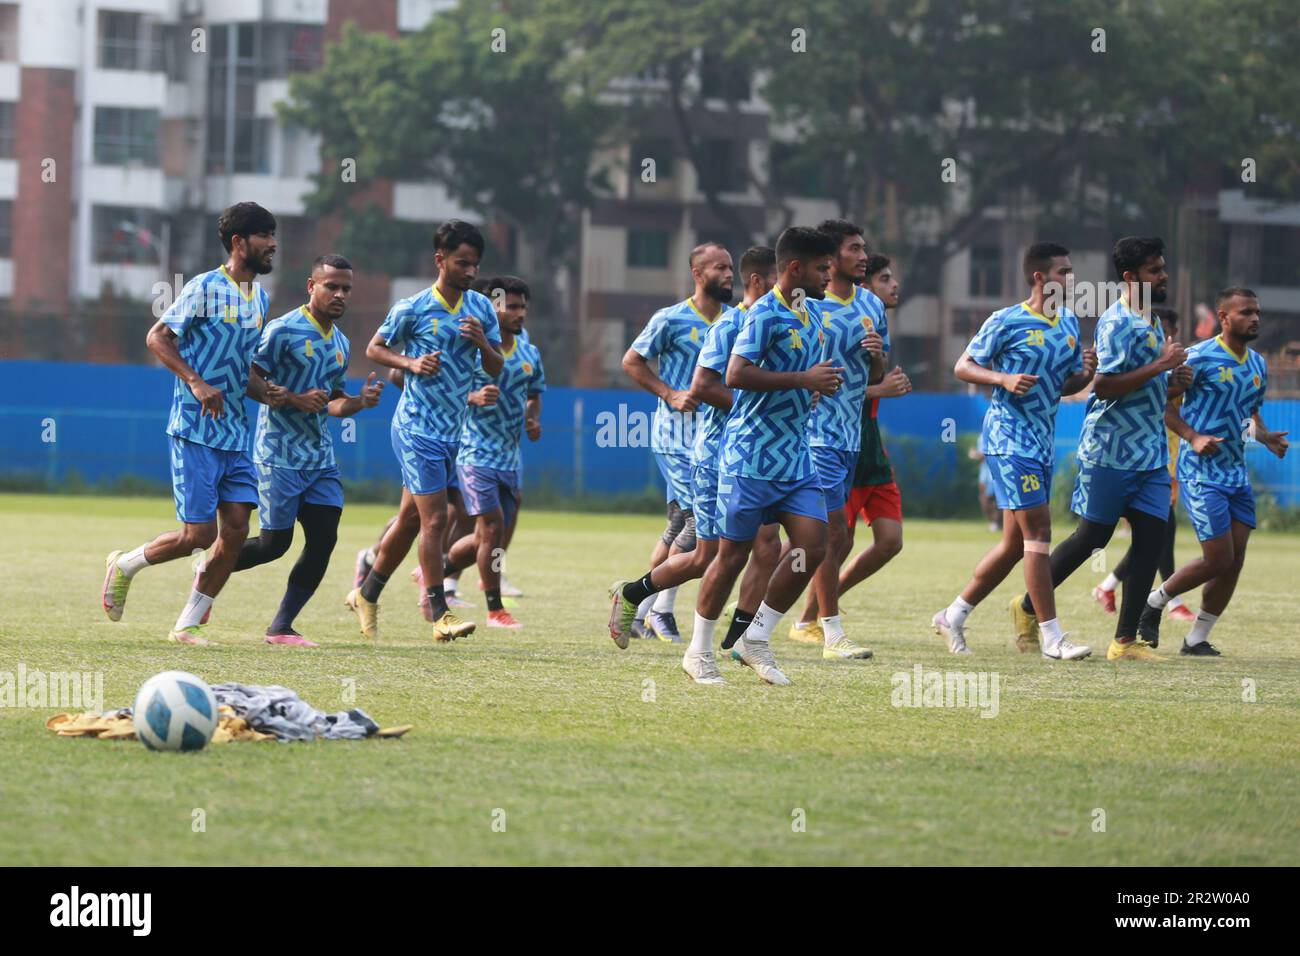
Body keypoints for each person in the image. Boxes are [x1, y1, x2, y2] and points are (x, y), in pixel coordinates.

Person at [612, 227, 842, 685]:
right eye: (822, 268)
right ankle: (644, 600)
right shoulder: (738, 323)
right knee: (713, 556)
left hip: (792, 456)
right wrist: (798, 385)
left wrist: (808, 394)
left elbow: (801, 375)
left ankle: (749, 640)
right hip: (725, 455)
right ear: (769, 276)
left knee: (804, 545)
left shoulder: (813, 316)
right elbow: (712, 384)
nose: (829, 275)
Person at [102, 202, 283, 645]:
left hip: (236, 433)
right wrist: (196, 383)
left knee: (237, 531)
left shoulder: (260, 298)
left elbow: (244, 370)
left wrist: (274, 394)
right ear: (239, 242)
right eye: (264, 235)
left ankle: (187, 625)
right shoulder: (204, 287)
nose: (273, 243)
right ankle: (125, 564)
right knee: (197, 536)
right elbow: (157, 337)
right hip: (194, 429)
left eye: (273, 234)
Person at [1009, 237, 1191, 662]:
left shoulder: (1149, 321)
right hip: (1109, 450)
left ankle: (1125, 641)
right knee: (1093, 537)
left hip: (1148, 454)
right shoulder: (1117, 322)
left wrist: (1173, 381)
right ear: (1130, 278)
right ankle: (1028, 606)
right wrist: (1161, 366)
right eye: (1154, 270)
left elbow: (1145, 383)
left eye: (1163, 267)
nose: (1163, 275)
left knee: (1153, 536)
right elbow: (1105, 385)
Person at [933, 242, 1096, 658]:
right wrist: (1002, 379)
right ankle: (1053, 638)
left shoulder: (1069, 324)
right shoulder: (1006, 320)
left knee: (1012, 546)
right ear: (1039, 277)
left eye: (1072, 271)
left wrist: (1085, 375)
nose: (1071, 279)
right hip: (1009, 441)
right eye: (1063, 272)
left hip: (1041, 443)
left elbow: (1065, 385)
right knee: (1039, 533)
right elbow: (963, 365)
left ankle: (952, 616)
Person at [346, 219, 503, 642]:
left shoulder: (482, 309)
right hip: (416, 428)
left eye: (475, 265)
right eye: (462, 263)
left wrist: (484, 344)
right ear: (440, 261)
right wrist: (410, 364)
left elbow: (497, 367)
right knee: (439, 519)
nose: (470, 272)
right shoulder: (412, 307)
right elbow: (374, 349)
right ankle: (439, 611)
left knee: (411, 520)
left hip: (455, 430)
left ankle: (367, 592)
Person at [228, 255, 384, 646]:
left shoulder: (342, 344)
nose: (340, 294)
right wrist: (294, 399)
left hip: (320, 459)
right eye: (332, 286)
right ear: (311, 286)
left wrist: (360, 402)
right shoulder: (282, 330)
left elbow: (332, 402)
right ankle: (211, 566)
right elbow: (249, 377)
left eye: (346, 288)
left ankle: (281, 626)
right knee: (273, 545)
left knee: (324, 538)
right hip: (277, 455)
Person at [1137, 288, 1289, 655]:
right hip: (1201, 473)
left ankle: (1197, 638)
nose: (1254, 318)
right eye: (1245, 312)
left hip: (1236, 474)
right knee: (1218, 557)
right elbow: (1161, 404)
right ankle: (1155, 603)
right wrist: (1193, 436)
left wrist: (1265, 436)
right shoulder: (1198, 356)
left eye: (1256, 312)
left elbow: (1248, 415)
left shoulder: (1258, 364)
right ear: (1223, 317)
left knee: (1234, 562)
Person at [621, 243, 735, 642]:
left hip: (716, 440)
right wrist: (669, 393)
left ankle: (638, 610)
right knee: (698, 527)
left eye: (731, 267)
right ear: (698, 274)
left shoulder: (736, 320)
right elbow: (631, 360)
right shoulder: (669, 319)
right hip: (676, 439)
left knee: (677, 527)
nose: (729, 274)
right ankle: (659, 610)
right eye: (720, 267)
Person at [797, 253, 909, 631]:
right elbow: (829, 385)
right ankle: (805, 617)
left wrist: (878, 365)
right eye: (885, 278)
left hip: (864, 443)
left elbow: (869, 376)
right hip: (827, 439)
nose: (893, 285)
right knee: (825, 538)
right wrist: (882, 388)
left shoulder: (872, 315)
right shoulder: (820, 312)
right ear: (865, 284)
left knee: (886, 540)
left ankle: (813, 608)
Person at [443, 276, 545, 629]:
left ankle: (436, 572)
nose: (520, 313)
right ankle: (495, 610)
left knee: (494, 538)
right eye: (511, 306)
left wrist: (533, 419)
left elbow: (535, 394)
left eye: (522, 307)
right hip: (475, 453)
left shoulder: (530, 353)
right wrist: (472, 397)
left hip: (510, 458)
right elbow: (448, 392)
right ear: (492, 309)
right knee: (491, 527)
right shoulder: (472, 350)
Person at [1092, 306, 1193, 621]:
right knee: (1158, 532)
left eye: (1172, 331)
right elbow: (1156, 401)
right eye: (1165, 331)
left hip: (1168, 457)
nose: (1169, 337)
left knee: (1154, 534)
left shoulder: (1173, 363)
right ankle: (1170, 601)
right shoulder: (1150, 362)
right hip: (1145, 455)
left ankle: (1108, 586)